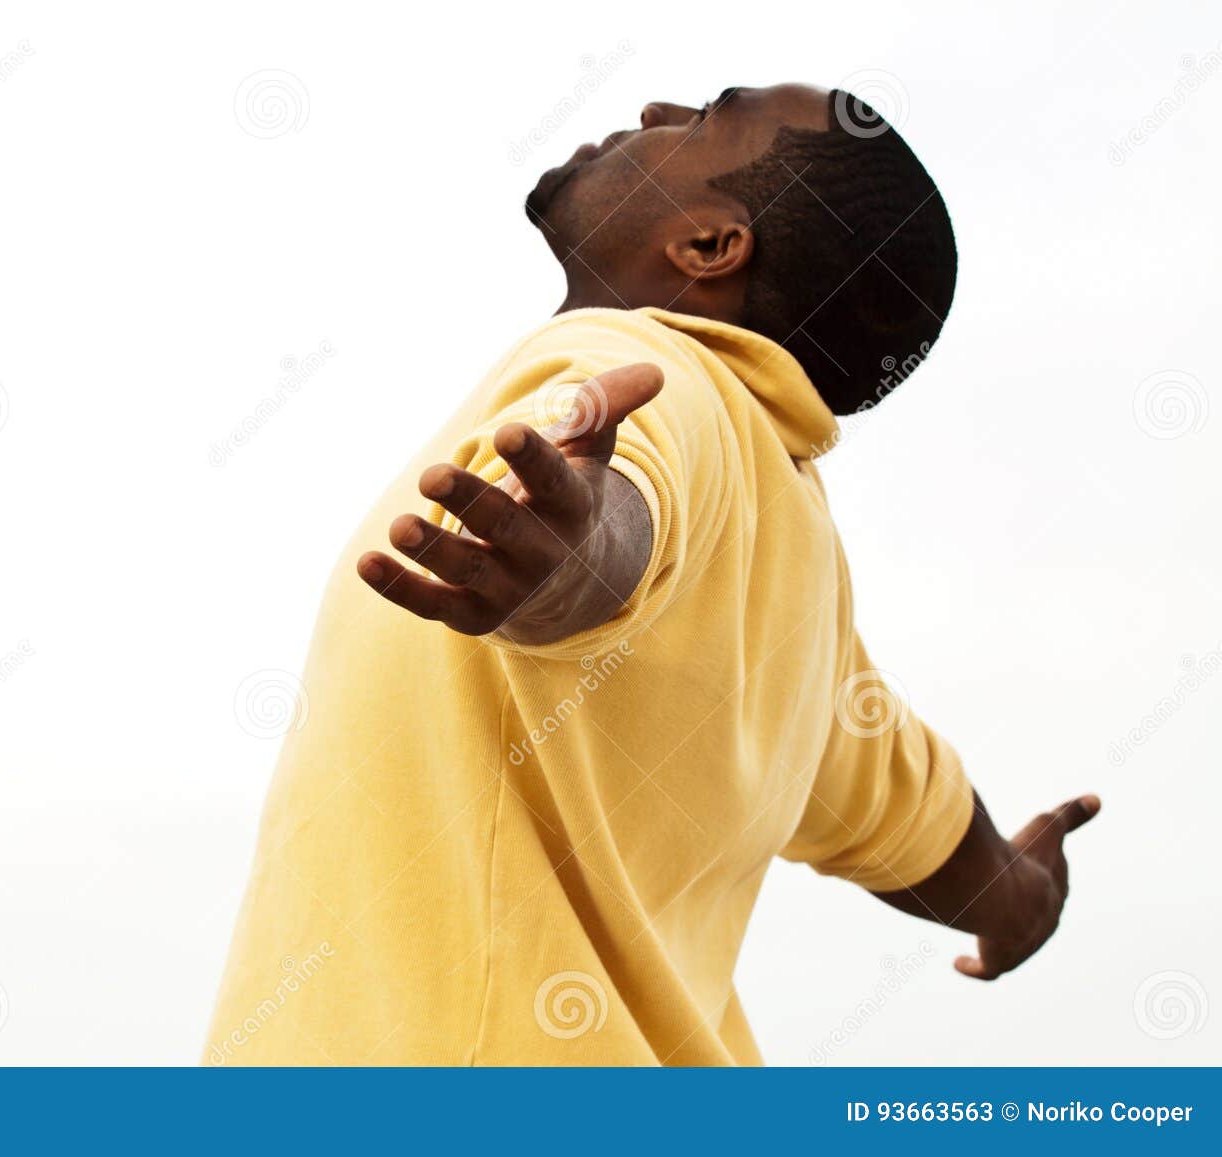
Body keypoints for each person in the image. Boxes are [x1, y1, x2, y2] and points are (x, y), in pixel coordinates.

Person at [207, 84, 1099, 1065]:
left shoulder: (638, 360)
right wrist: (1017, 896)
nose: (655, 105)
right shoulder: (795, 564)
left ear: (710, 247)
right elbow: (906, 810)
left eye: (707, 116)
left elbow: (625, 498)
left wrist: (571, 562)